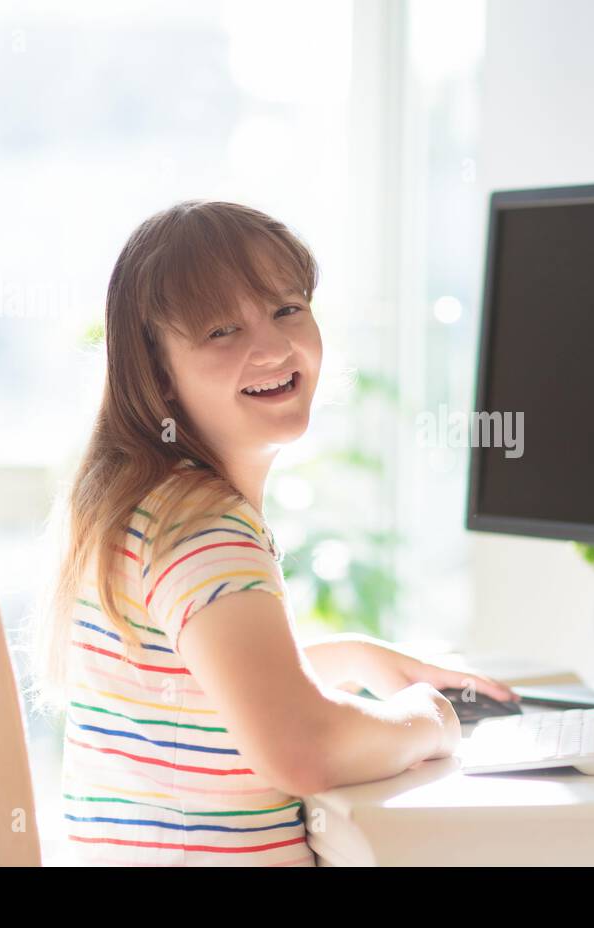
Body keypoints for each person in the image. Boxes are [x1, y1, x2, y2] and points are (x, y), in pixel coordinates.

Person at [35, 200, 517, 865]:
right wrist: (428, 718)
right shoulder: (202, 529)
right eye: (221, 331)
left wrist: (346, 657)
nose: (272, 348)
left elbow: (191, 693)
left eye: (287, 310)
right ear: (160, 376)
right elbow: (302, 750)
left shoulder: (148, 508)